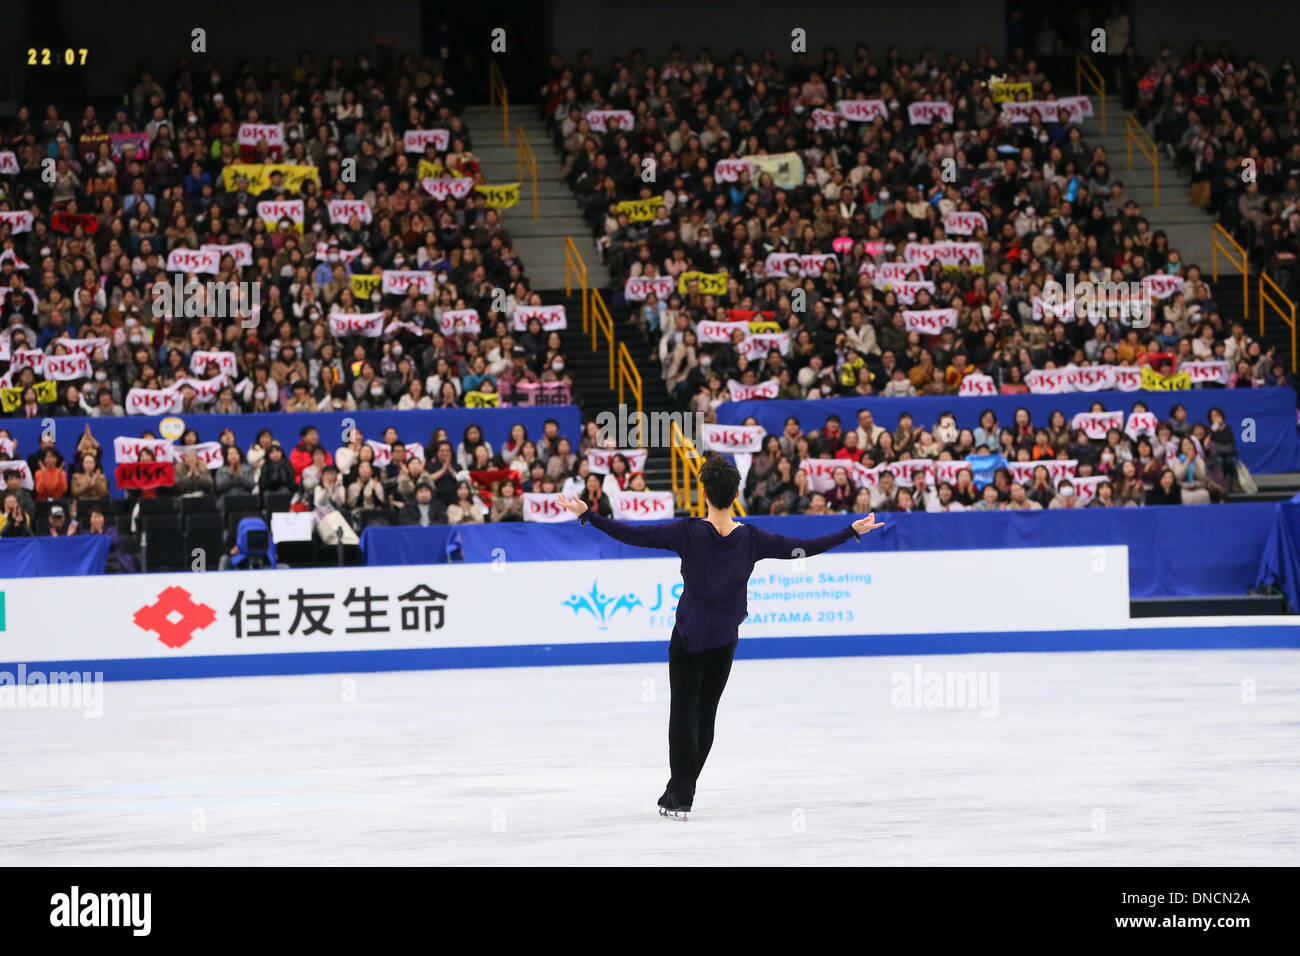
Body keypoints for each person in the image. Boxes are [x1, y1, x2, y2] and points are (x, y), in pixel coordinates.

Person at [556, 455, 884, 818]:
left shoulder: (687, 531)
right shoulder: (753, 538)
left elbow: (634, 535)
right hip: (724, 638)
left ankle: (681, 792)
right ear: (736, 492)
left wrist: (589, 514)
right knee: (705, 715)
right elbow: (800, 548)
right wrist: (849, 532)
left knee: (683, 713)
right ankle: (681, 789)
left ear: (705, 493)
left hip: (688, 637)